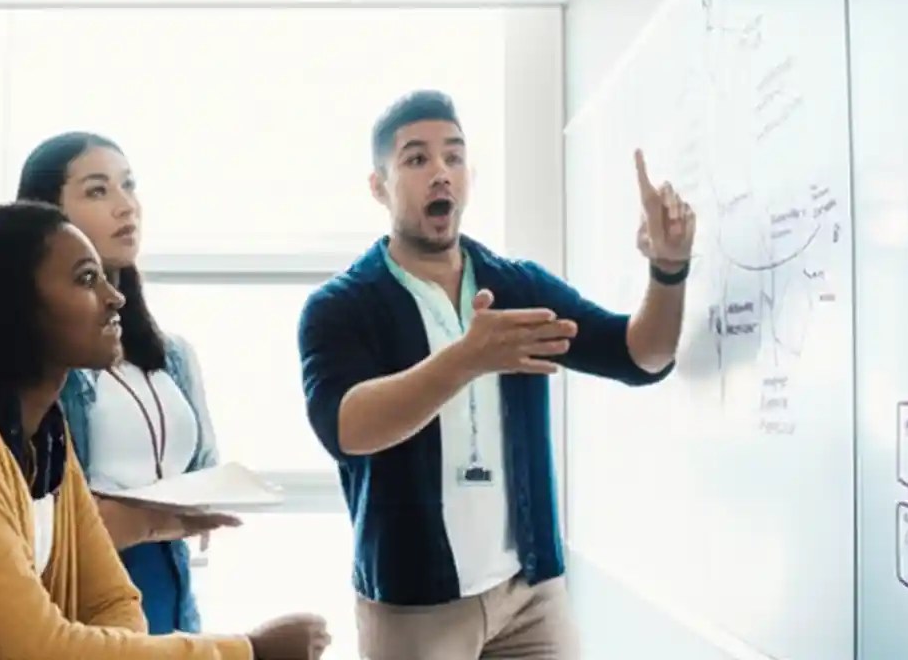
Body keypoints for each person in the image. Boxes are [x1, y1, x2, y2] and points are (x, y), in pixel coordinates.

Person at [0, 202, 330, 659]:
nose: (114, 296)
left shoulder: (42, 433)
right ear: (12, 306)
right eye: (85, 279)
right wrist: (249, 652)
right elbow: (35, 650)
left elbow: (110, 601)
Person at [297, 90, 694, 659]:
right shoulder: (340, 306)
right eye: (417, 159)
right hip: (414, 606)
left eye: (454, 157)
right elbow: (347, 429)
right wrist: (465, 358)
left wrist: (669, 268)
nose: (441, 173)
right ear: (378, 186)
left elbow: (641, 357)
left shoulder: (517, 285)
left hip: (530, 595)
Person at [17, 132, 239, 634]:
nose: (125, 206)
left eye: (129, 185)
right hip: (78, 603)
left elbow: (203, 475)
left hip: (170, 588)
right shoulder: (46, 363)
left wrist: (186, 512)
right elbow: (48, 525)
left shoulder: (173, 354)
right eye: (98, 191)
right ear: (46, 213)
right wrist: (157, 521)